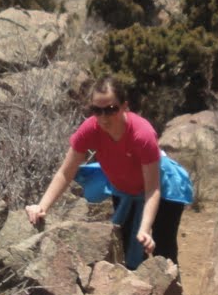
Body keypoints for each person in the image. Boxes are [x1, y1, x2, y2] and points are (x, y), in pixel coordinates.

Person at [25, 75, 193, 268]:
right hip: (125, 188)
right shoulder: (90, 130)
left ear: (124, 107)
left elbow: (153, 189)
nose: (103, 117)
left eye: (111, 109)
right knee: (126, 251)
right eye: (97, 110)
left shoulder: (142, 135)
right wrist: (42, 206)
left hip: (162, 189)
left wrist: (145, 228)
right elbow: (65, 173)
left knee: (164, 251)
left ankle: (170, 286)